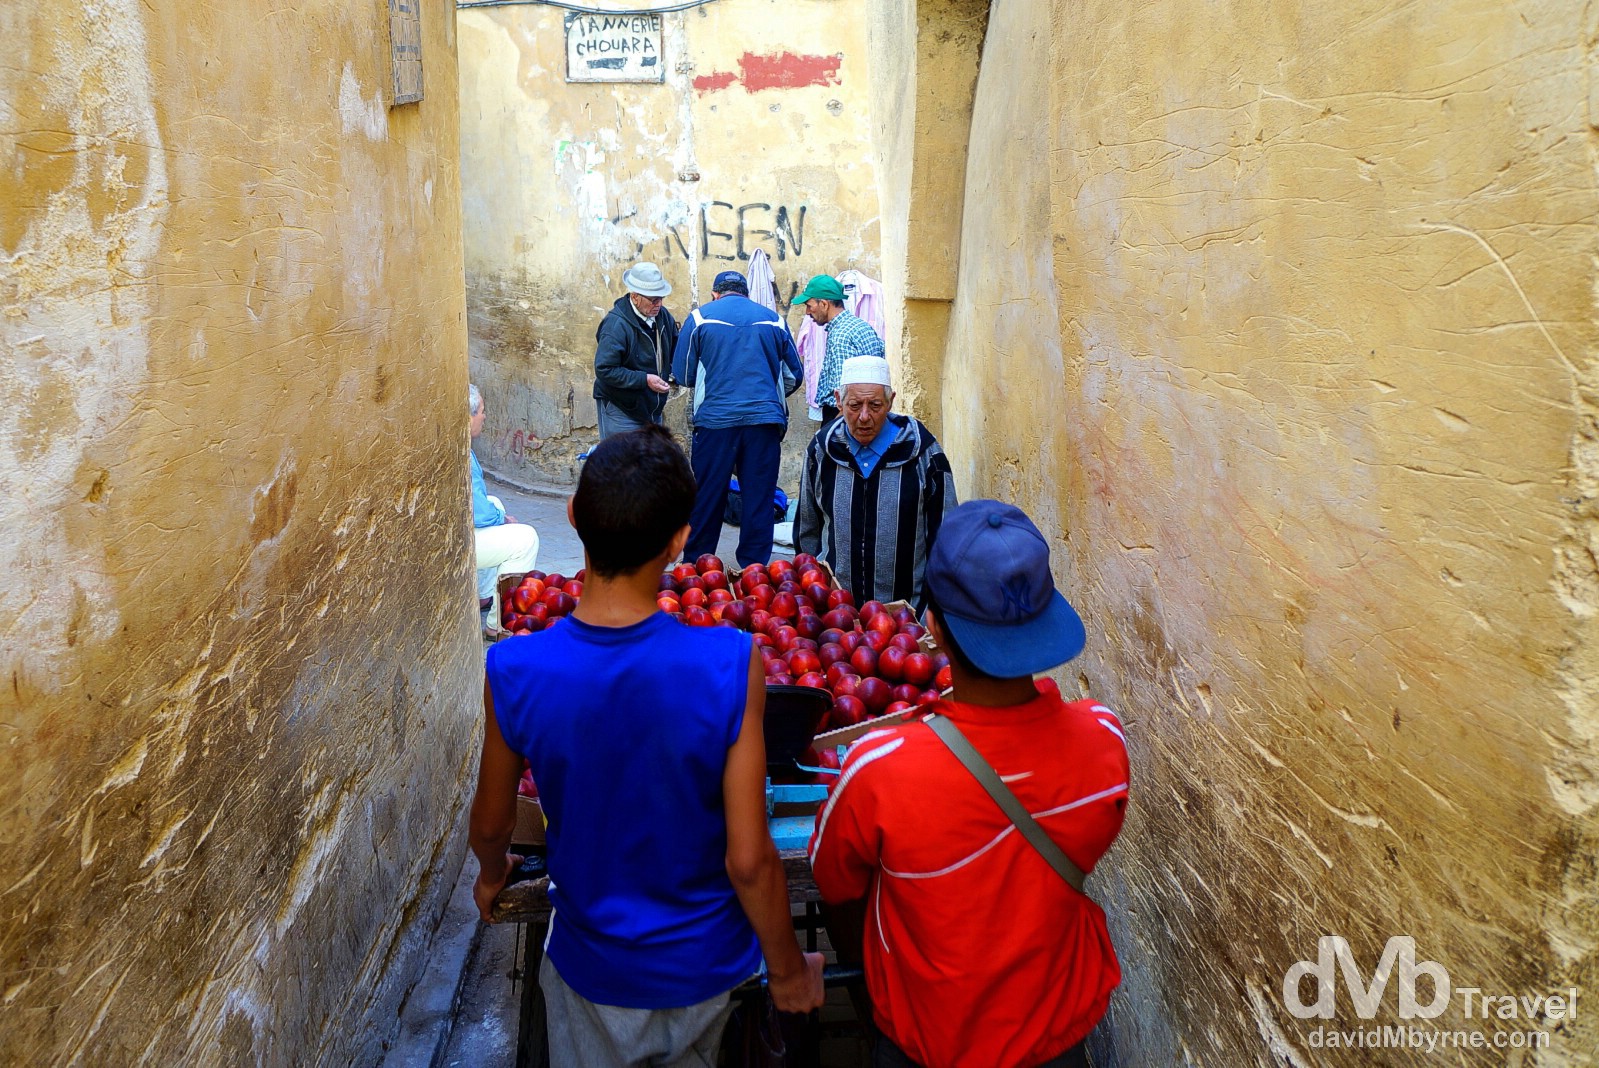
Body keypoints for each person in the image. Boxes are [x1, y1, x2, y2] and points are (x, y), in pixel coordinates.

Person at [468, 426, 826, 1065]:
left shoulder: (516, 669)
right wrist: (789, 969)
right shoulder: (729, 661)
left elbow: (492, 826)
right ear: (681, 539)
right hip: (709, 969)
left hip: (592, 972)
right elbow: (749, 859)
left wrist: (493, 876)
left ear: (574, 517)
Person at [809, 500, 1130, 1068]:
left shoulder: (880, 766)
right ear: (1045, 621)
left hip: (926, 1043)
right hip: (1057, 1041)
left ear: (931, 627)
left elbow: (834, 882)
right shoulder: (1104, 741)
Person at [793, 356, 956, 609]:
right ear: (838, 400)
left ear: (891, 402)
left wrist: (929, 613)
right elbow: (807, 530)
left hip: (907, 616)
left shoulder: (925, 454)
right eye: (855, 405)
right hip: (837, 615)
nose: (864, 417)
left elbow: (946, 538)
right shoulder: (821, 452)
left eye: (876, 405)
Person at [671, 269, 804, 568]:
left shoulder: (700, 318)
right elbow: (794, 375)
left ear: (715, 294)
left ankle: (697, 567)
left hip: (716, 422)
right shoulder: (774, 320)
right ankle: (754, 572)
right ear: (746, 293)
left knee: (707, 497)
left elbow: (684, 374)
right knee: (759, 499)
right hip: (764, 422)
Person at [469, 384, 538, 638]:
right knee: (526, 538)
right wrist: (503, 520)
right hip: (456, 541)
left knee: (495, 502)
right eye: (482, 412)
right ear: (469, 417)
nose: (484, 417)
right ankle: (499, 624)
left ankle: (485, 595)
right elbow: (478, 513)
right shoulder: (462, 454)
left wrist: (497, 515)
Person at [593, 262, 680, 438]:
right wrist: (645, 379)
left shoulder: (663, 316)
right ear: (634, 297)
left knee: (648, 463)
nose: (659, 304)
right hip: (621, 408)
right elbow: (605, 369)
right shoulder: (616, 325)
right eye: (653, 300)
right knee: (623, 463)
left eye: (661, 298)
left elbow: (675, 348)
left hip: (651, 407)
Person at [792, 273, 885, 423]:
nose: (807, 312)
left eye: (809, 306)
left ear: (824, 304)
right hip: (866, 413)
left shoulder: (840, 336)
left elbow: (846, 398)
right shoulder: (859, 325)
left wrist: (831, 432)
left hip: (844, 418)